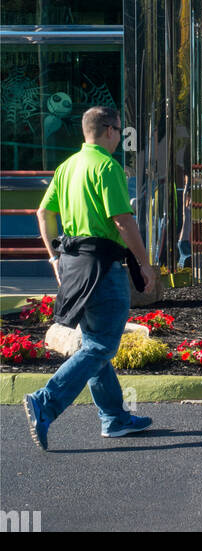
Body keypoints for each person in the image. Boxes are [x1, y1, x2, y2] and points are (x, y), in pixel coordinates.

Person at [23, 106, 156, 450]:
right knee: (101, 345)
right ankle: (45, 401)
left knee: (96, 342)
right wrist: (143, 262)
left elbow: (43, 212)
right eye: (118, 132)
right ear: (110, 131)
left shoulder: (67, 167)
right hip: (102, 265)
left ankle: (114, 418)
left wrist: (53, 256)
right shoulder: (107, 167)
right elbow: (122, 221)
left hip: (73, 265)